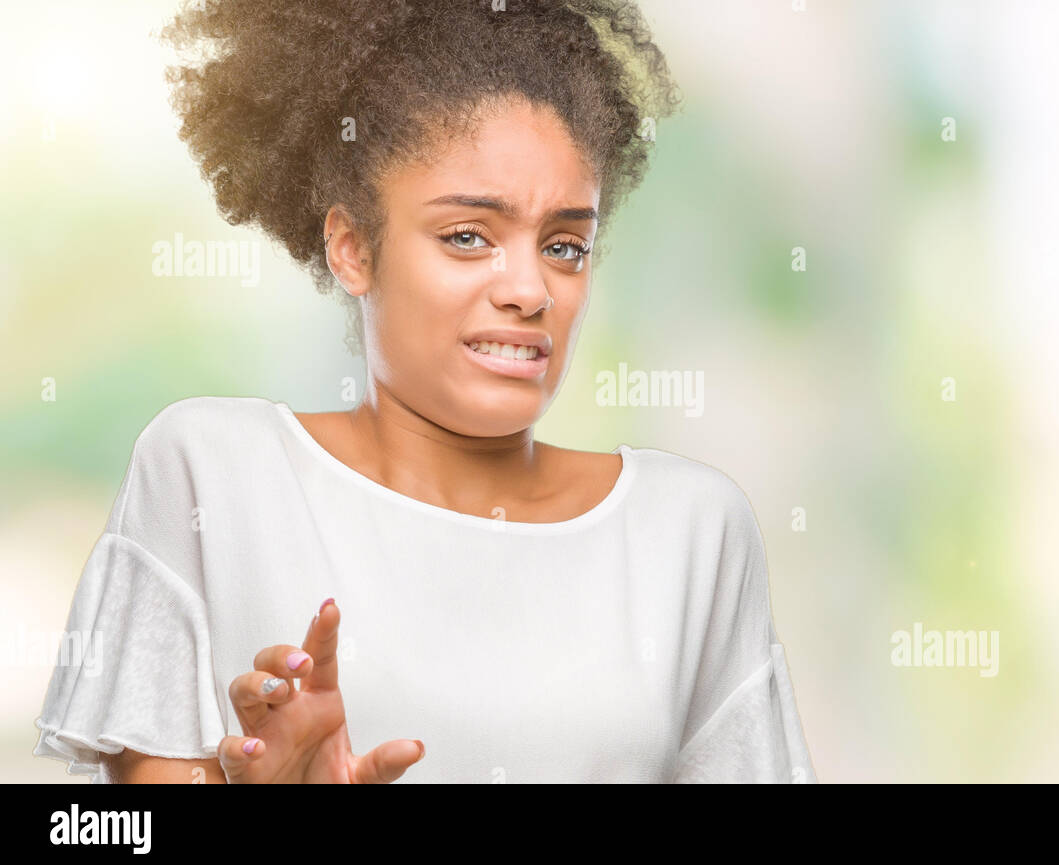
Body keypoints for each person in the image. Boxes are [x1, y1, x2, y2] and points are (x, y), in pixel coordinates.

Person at [33, 0, 816, 784]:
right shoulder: (212, 473)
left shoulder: (690, 530)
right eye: (468, 236)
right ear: (351, 248)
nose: (528, 289)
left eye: (565, 245)